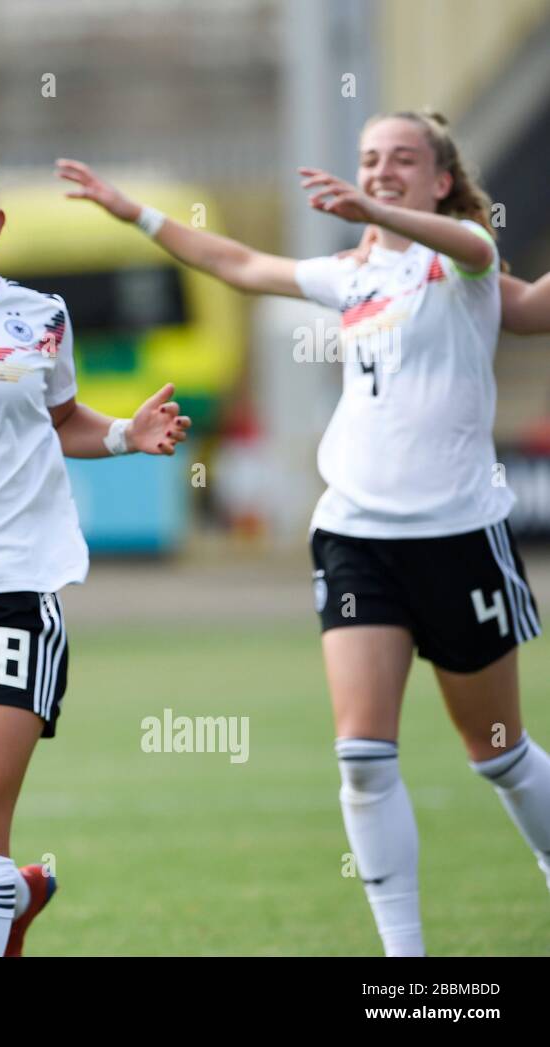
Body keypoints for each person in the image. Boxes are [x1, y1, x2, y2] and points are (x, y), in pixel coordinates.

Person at [58, 109, 548, 956]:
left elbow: (476, 252)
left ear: (440, 179)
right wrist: (132, 211)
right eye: (369, 158)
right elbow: (238, 262)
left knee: (497, 753)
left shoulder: (458, 255)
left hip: (458, 536)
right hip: (355, 533)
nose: (382, 169)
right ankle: (406, 964)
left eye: (402, 160)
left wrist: (379, 215)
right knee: (361, 753)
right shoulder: (354, 276)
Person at [0, 142, 190, 957]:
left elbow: (60, 419)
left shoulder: (40, 315)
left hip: (11, 591)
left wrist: (126, 433)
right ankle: (12, 895)